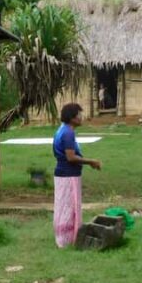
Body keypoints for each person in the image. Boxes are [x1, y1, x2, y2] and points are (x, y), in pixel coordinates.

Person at [53, 103, 102, 247]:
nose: (81, 117)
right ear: (72, 117)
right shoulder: (68, 133)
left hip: (63, 174)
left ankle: (63, 238)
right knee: (70, 206)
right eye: (79, 114)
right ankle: (68, 239)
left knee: (63, 205)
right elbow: (71, 157)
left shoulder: (61, 130)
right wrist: (91, 161)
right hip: (69, 175)